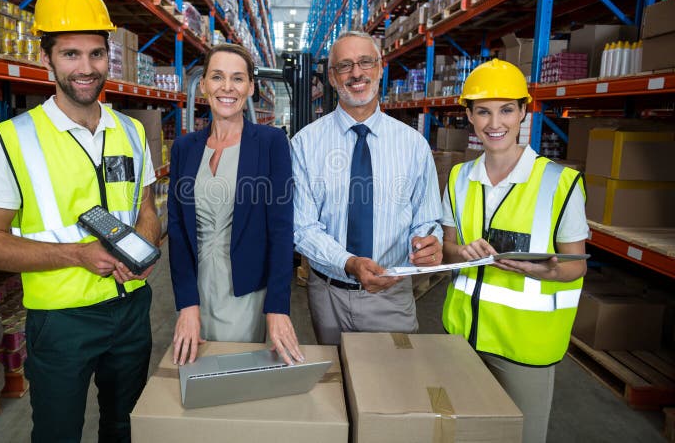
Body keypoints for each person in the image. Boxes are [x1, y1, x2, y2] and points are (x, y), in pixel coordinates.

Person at [0, 0, 160, 443]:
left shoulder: (131, 131)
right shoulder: (13, 139)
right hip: (61, 320)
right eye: (70, 54)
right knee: (58, 434)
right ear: (46, 58)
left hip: (131, 308)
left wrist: (144, 248)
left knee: (125, 424)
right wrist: (77, 255)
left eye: (96, 53)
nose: (86, 68)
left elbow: (147, 208)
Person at [440, 59, 588, 443]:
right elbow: (447, 247)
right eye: (483, 111)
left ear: (523, 111)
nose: (495, 123)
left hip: (525, 347)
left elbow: (575, 265)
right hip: (462, 338)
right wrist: (461, 252)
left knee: (521, 437)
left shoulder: (561, 183)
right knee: (463, 435)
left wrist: (545, 271)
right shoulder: (459, 178)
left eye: (506, 109)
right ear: (469, 116)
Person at [291, 30, 443, 346]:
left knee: (392, 384)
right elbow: (302, 227)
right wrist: (350, 263)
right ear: (332, 78)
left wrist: (429, 241)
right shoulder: (305, 144)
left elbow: (426, 218)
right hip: (329, 295)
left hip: (392, 294)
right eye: (344, 66)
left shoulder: (413, 145)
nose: (356, 73)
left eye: (365, 62)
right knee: (335, 384)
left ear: (379, 68)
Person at [168, 43, 303, 366]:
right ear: (203, 85)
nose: (227, 87)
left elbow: (282, 231)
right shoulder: (185, 148)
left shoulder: (271, 143)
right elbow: (177, 230)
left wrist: (278, 307)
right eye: (217, 77)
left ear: (250, 88)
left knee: (234, 381)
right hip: (196, 291)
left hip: (245, 294)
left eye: (237, 79)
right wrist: (186, 304)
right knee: (195, 379)